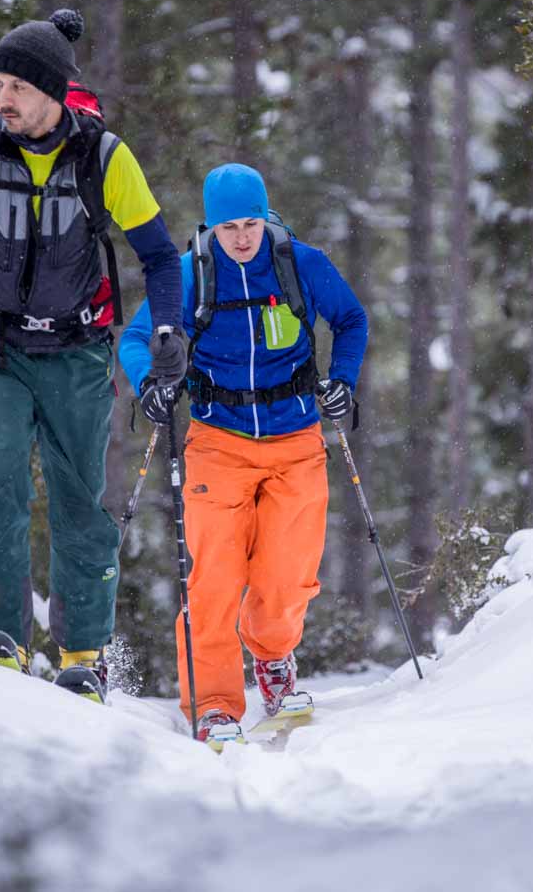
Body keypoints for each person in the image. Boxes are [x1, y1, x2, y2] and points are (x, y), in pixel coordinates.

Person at [0, 9, 186, 703]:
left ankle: (83, 655)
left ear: (52, 91)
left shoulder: (105, 157)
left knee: (80, 500)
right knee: (0, 478)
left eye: (16, 86)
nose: (3, 99)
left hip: (78, 349)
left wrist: (168, 329)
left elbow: (161, 256)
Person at [119, 163, 367, 742]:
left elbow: (351, 319)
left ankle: (274, 658)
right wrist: (149, 383)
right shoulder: (190, 274)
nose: (242, 237)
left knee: (288, 573)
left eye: (251, 222)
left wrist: (344, 381)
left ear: (266, 217)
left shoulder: (299, 263)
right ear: (211, 226)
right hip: (216, 439)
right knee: (213, 580)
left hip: (297, 435)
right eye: (229, 226)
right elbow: (136, 338)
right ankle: (214, 706)